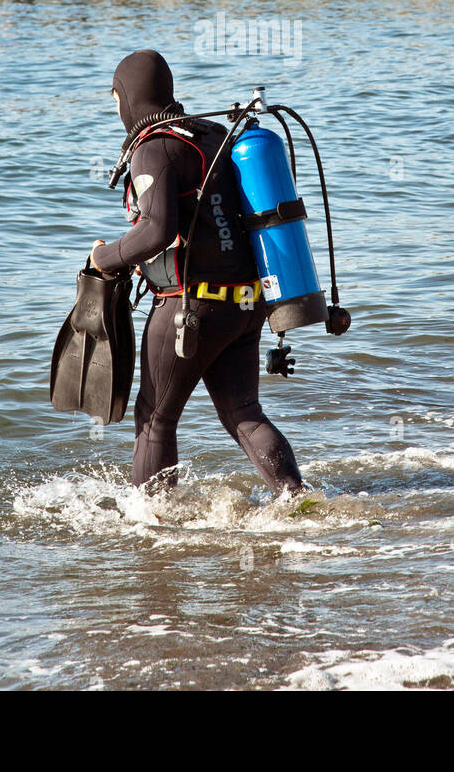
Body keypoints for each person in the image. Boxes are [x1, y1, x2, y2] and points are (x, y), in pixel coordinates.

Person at [88, 50, 304, 497]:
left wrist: (103, 258)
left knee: (154, 420)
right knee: (244, 413)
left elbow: (155, 229)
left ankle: (153, 524)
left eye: (115, 99)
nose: (116, 110)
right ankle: (296, 500)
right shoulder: (213, 133)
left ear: (127, 96)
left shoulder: (154, 147)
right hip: (246, 305)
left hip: (192, 310)